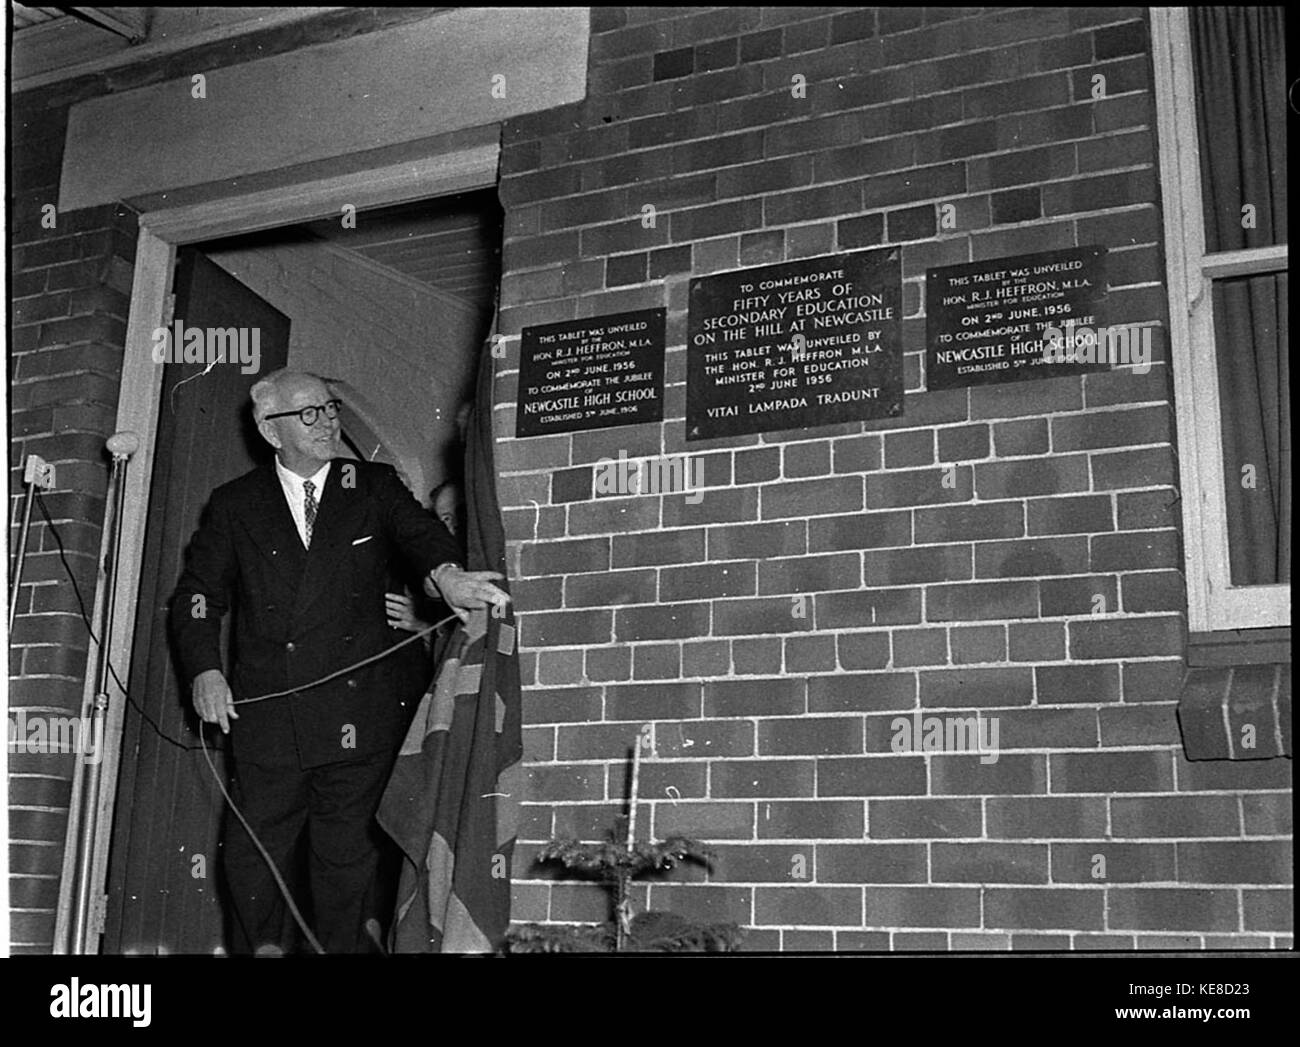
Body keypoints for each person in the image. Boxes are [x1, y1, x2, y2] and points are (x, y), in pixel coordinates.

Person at [170, 369, 510, 954]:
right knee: (255, 859)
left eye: (329, 408)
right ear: (270, 430)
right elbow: (198, 595)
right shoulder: (234, 505)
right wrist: (205, 669)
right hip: (270, 715)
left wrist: (446, 575)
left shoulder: (372, 485)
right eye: (310, 413)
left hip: (360, 710)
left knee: (345, 862)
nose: (329, 421)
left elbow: (421, 534)